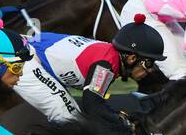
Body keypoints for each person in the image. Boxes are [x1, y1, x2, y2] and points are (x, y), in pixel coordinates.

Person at [14, 15, 166, 123]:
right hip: (25, 57)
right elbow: (92, 105)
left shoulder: (108, 54)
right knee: (72, 119)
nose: (150, 71)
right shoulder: (106, 66)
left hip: (27, 48)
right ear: (132, 58)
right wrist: (124, 121)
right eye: (149, 63)